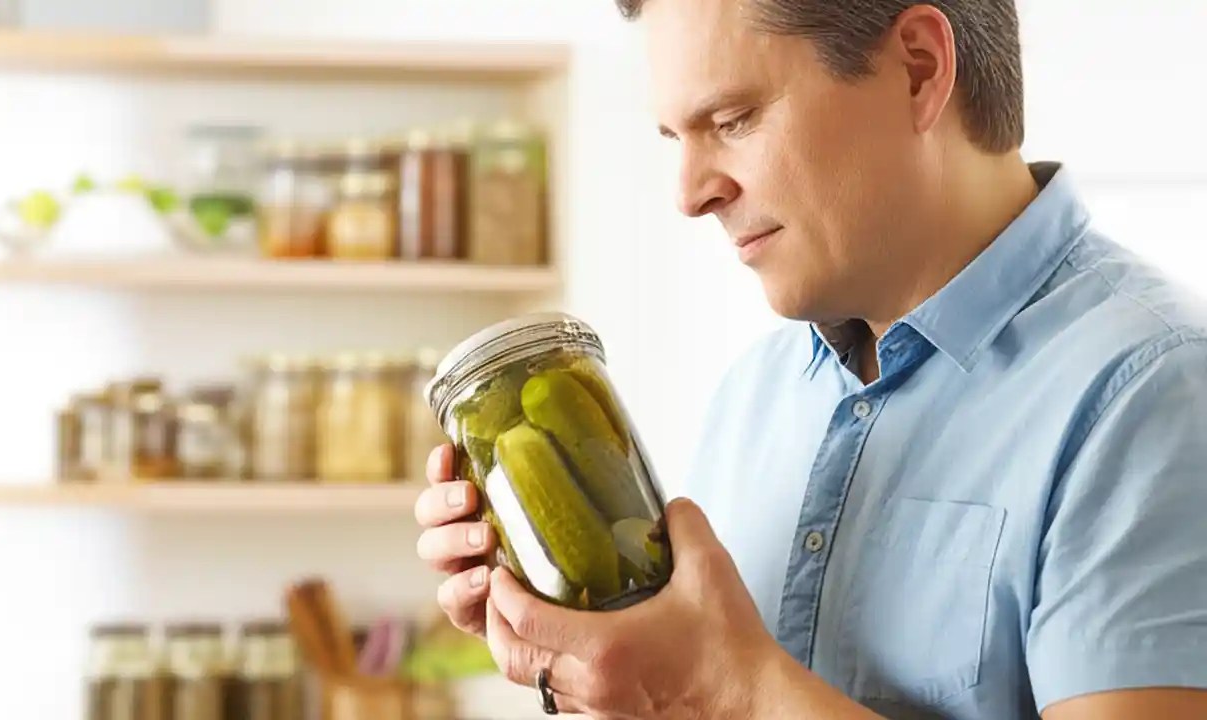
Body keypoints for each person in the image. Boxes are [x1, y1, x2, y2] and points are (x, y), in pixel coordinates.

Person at [414, 0, 1207, 717]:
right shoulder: (754, 397)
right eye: (674, 139)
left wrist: (730, 687)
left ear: (918, 69)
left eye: (731, 118)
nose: (689, 193)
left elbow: (724, 689)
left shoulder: (1153, 391)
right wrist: (592, 661)